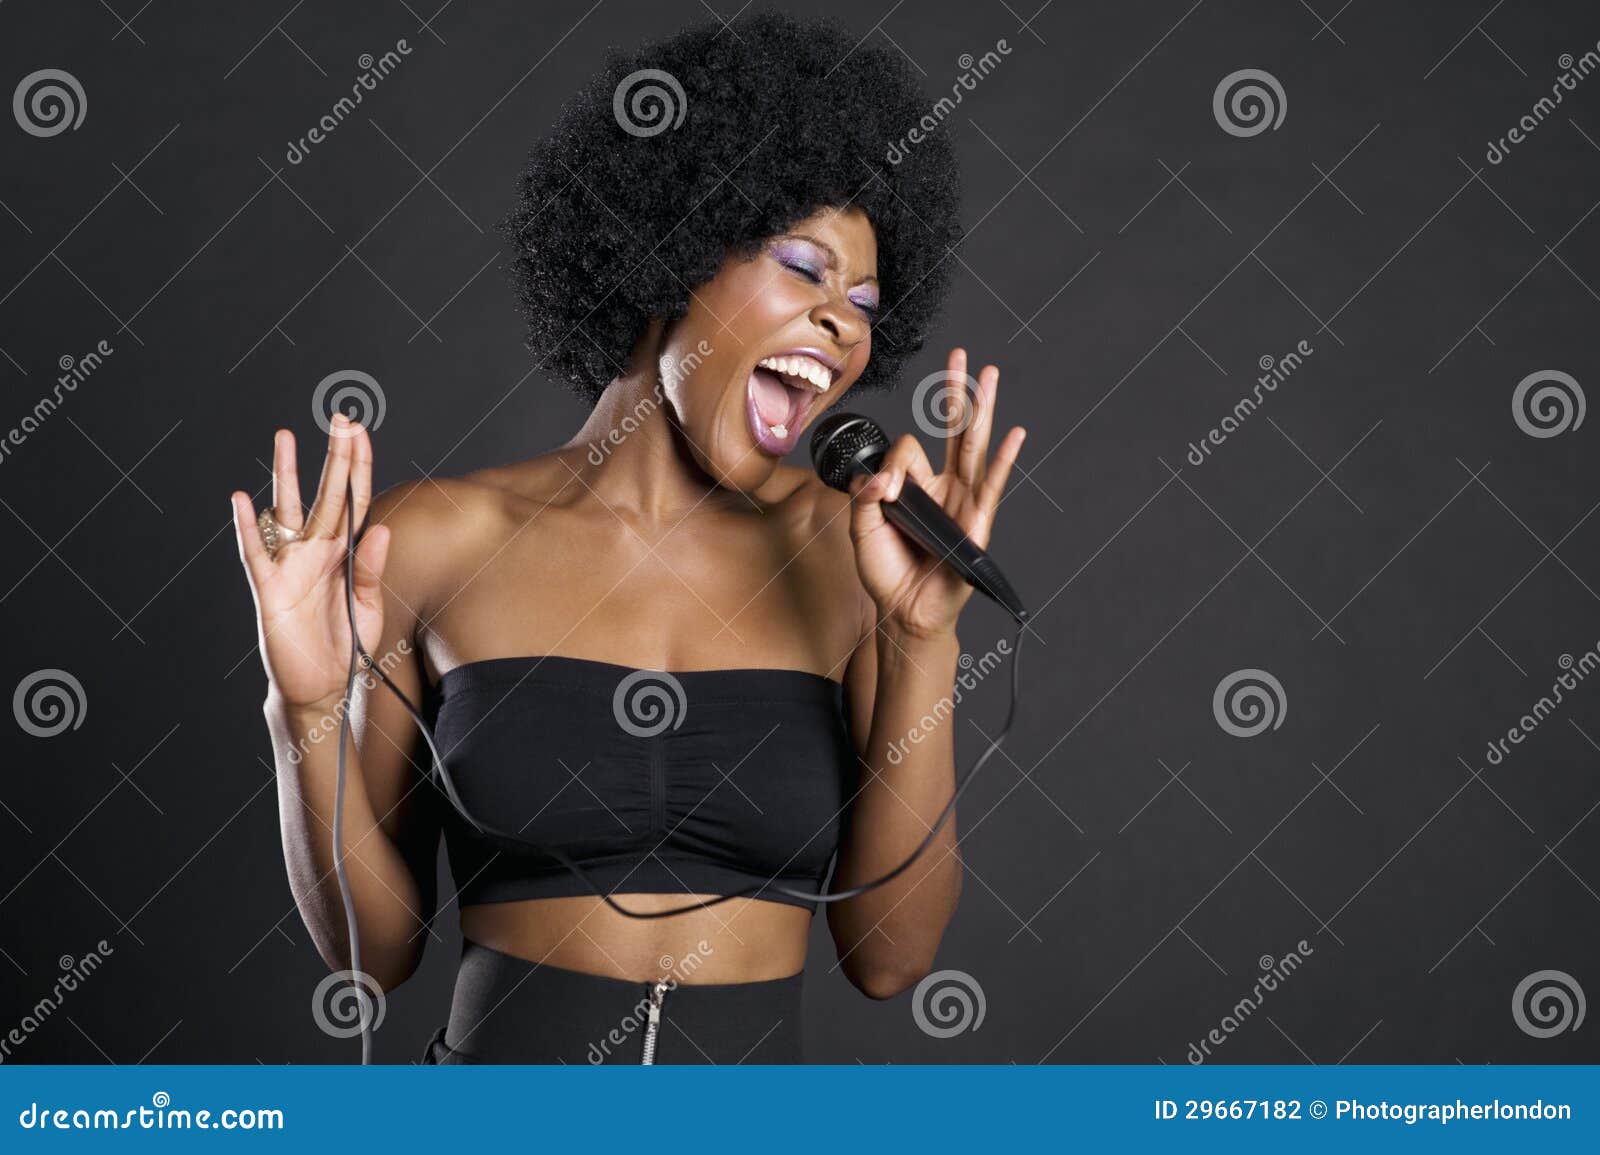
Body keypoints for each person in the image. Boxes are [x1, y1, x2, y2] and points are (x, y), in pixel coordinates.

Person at [228, 10, 1025, 1064]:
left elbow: (890, 957)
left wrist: (923, 641)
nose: (842, 323)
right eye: (804, 267)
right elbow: (370, 956)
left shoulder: (856, 556)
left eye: (866, 304)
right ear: (675, 252)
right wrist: (307, 709)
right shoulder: (431, 542)